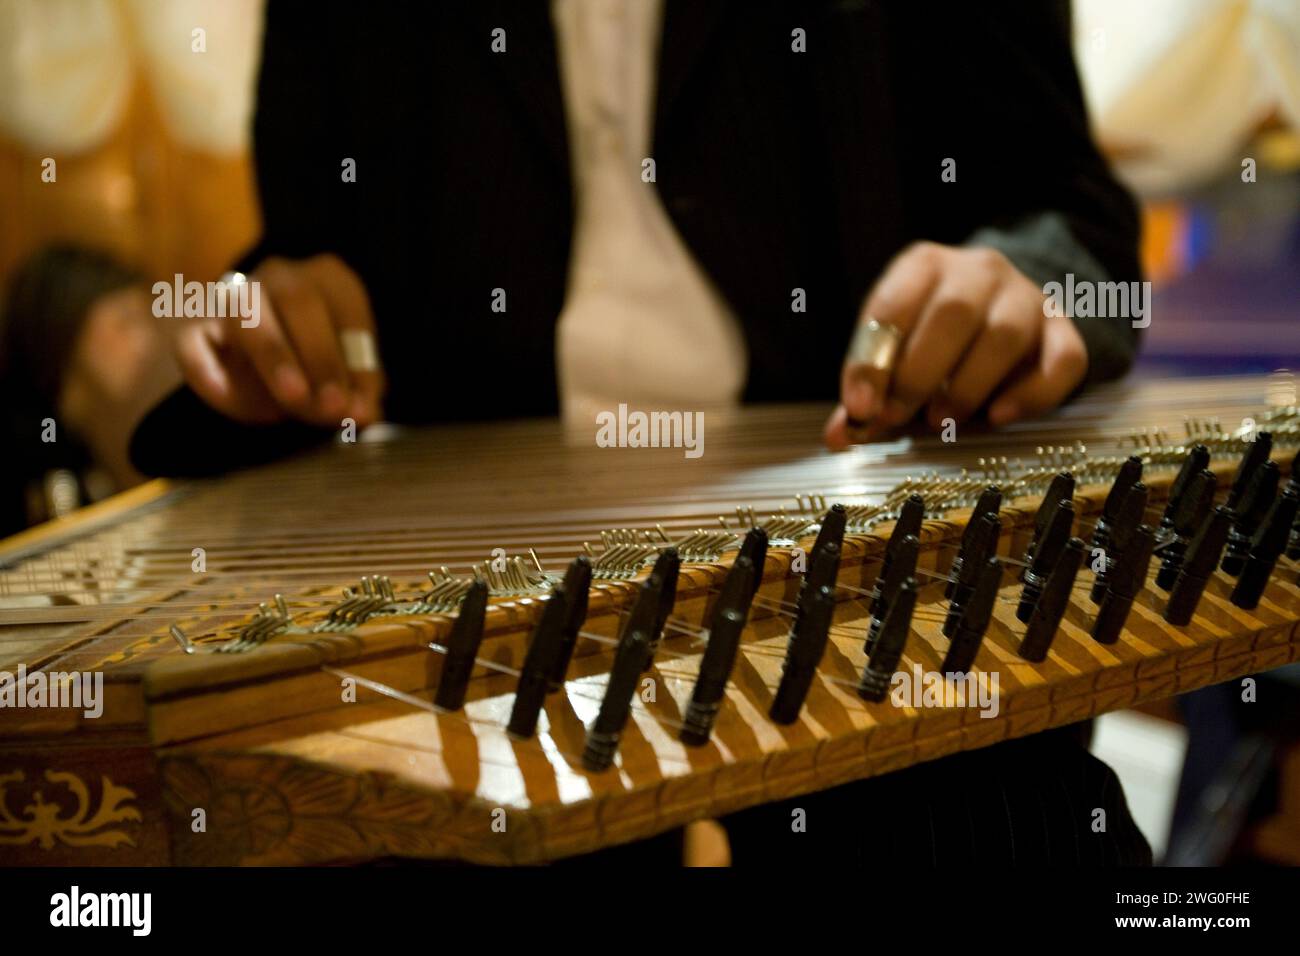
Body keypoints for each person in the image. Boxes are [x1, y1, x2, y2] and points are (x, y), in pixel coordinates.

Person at [143, 0, 1151, 864]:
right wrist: (281, 323)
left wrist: (1018, 282)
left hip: (874, 623)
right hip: (464, 645)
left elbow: (1069, 218)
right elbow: (307, 247)